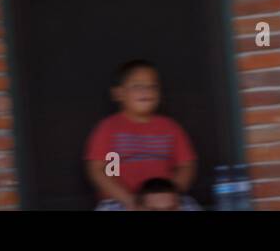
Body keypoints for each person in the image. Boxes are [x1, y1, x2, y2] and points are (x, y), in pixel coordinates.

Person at [84, 59, 198, 210]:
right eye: (137, 86)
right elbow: (99, 170)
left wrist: (170, 195)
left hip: (166, 202)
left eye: (152, 87)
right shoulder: (109, 129)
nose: (146, 91)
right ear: (118, 93)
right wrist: (128, 200)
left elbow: (186, 165)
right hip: (120, 201)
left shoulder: (170, 127)